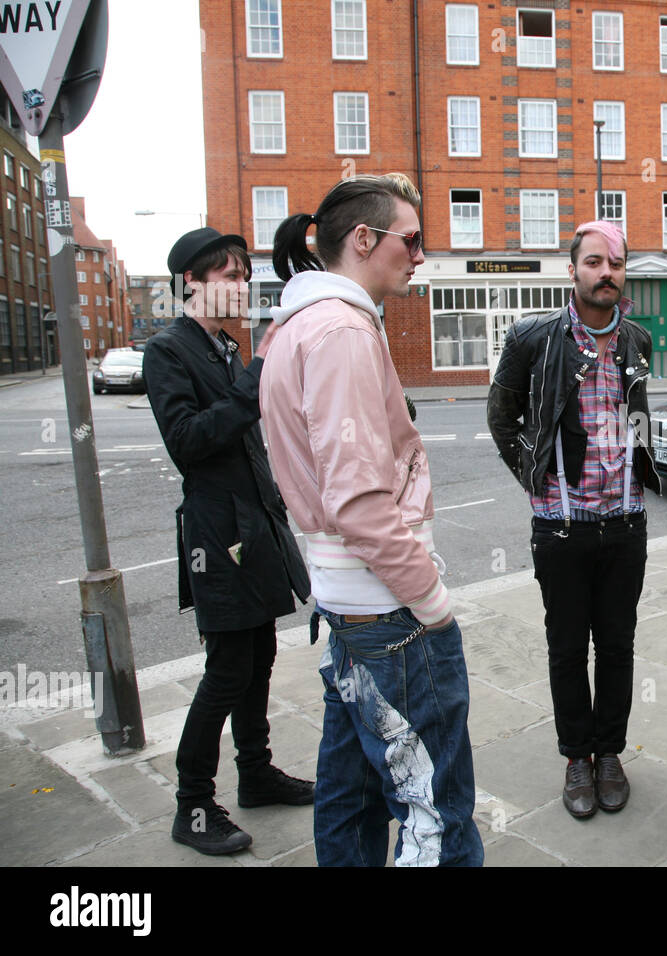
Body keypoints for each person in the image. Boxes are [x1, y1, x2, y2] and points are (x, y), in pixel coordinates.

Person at [258, 173, 482, 867]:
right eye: (410, 240)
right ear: (363, 239)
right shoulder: (342, 331)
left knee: (350, 795)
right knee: (435, 811)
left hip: (347, 608)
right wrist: (431, 601)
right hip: (389, 613)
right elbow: (358, 502)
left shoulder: (296, 325)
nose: (420, 255)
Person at [143, 227, 313, 856]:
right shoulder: (168, 351)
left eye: (244, 275)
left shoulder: (224, 350)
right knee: (227, 669)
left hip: (255, 525)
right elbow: (189, 441)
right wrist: (258, 374)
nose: (242, 286)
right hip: (217, 536)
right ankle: (191, 805)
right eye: (230, 276)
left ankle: (256, 773)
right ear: (191, 281)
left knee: (260, 656)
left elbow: (250, 440)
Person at [486, 221, 659, 819]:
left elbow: (637, 416)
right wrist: (536, 482)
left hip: (626, 522)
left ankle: (609, 753)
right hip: (562, 527)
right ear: (573, 270)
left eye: (616, 263)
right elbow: (501, 417)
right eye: (593, 262)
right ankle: (576, 758)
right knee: (566, 648)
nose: (606, 272)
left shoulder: (636, 338)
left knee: (617, 646)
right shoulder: (534, 338)